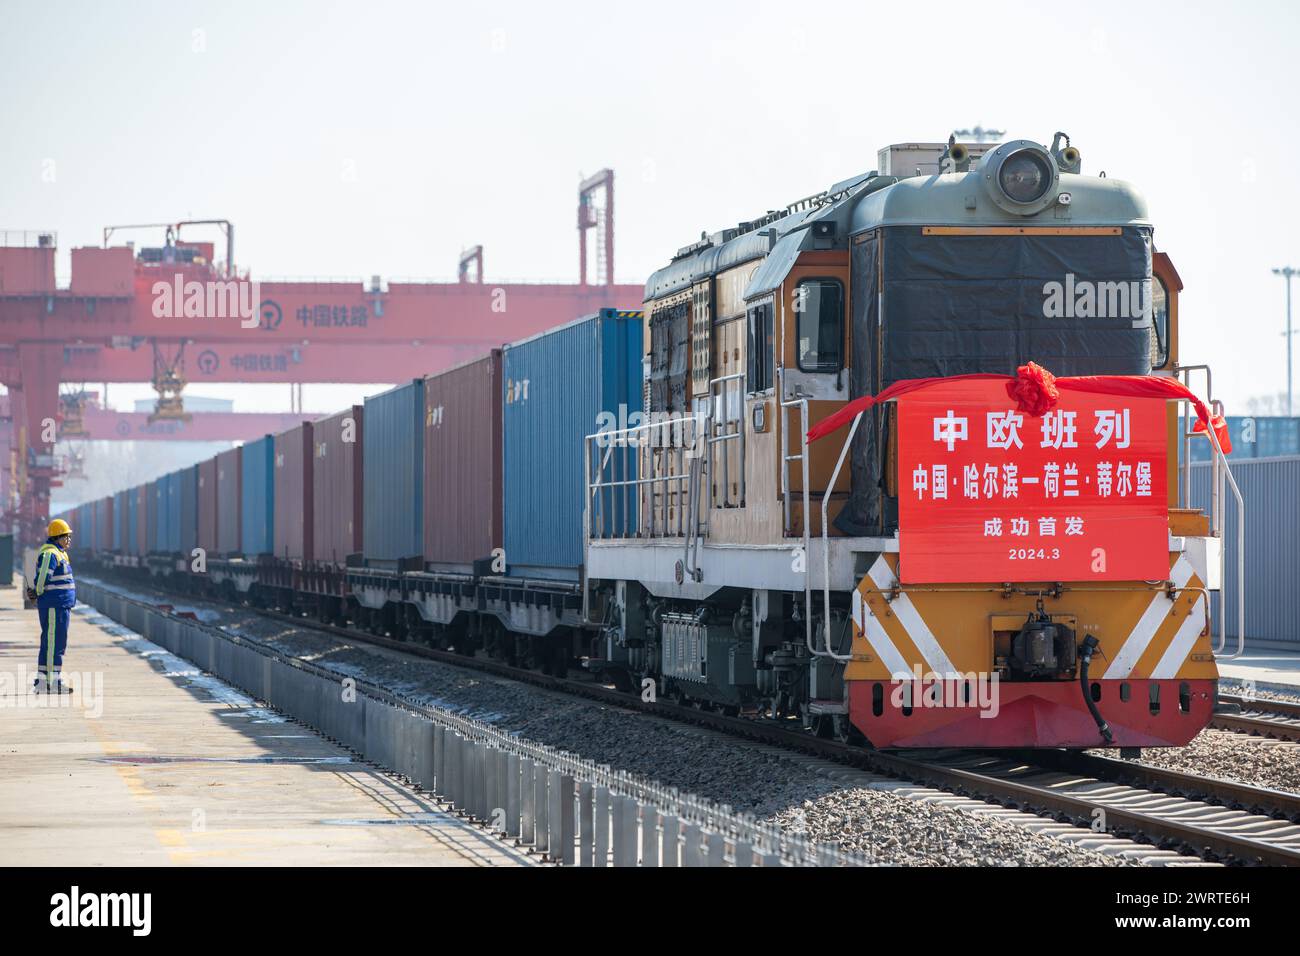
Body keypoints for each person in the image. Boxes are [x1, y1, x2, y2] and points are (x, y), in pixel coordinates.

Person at [27, 519, 76, 693]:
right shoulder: (50, 554)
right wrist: (38, 592)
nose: (69, 540)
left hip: (60, 605)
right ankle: (52, 683)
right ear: (57, 537)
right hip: (54, 605)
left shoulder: (60, 553)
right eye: (66, 537)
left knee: (52, 642)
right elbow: (42, 579)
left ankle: (43, 681)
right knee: (54, 643)